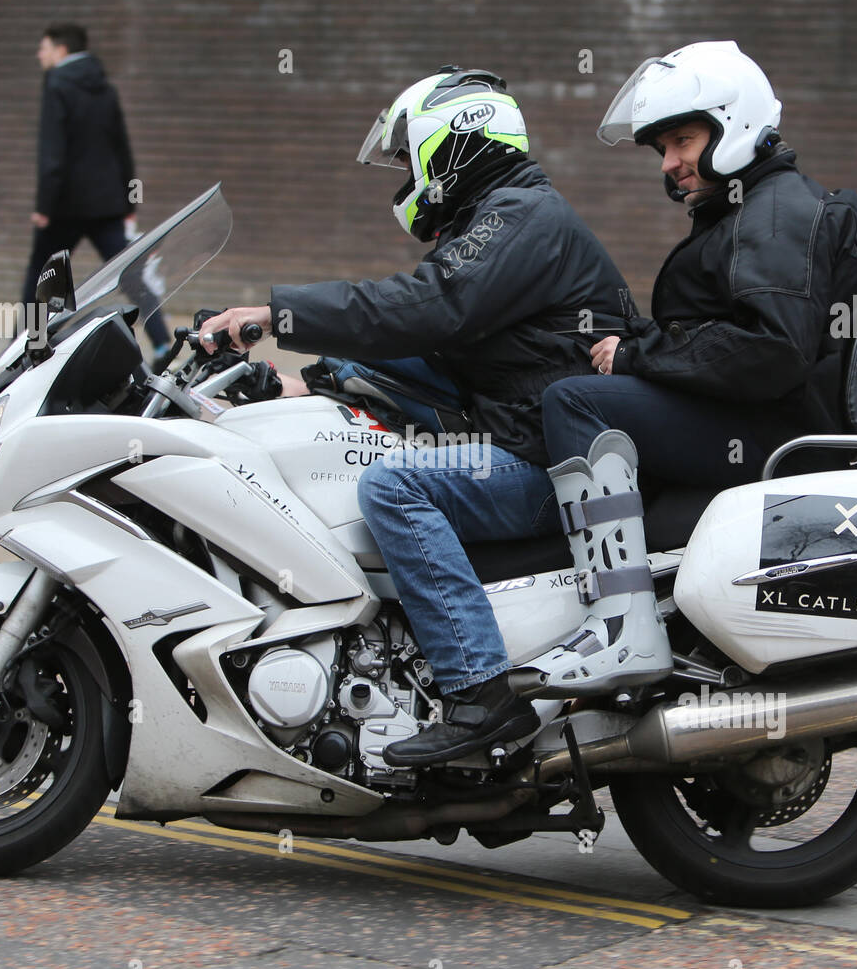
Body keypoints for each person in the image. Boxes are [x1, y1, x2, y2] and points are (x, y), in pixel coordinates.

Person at [200, 66, 666, 766]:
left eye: (410, 153)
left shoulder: (521, 217)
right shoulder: (504, 219)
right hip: (530, 439)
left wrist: (277, 313)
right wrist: (307, 383)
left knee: (395, 485)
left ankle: (481, 692)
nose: (405, 175)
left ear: (454, 144)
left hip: (548, 460)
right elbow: (439, 356)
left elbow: (426, 307)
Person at [542, 40, 857, 496]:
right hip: (752, 419)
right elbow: (712, 328)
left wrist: (636, 354)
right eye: (663, 147)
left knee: (573, 401)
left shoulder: (776, 216)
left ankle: (606, 566)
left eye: (682, 141)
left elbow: (774, 349)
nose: (669, 163)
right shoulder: (748, 208)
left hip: (774, 438)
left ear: (735, 126)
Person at [20, 22, 170, 359]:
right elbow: (121, 146)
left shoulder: (56, 82)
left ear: (60, 50)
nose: (39, 54)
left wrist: (44, 206)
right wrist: (129, 200)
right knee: (129, 274)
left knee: (42, 275)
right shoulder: (105, 86)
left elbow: (52, 153)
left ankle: (29, 348)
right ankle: (162, 343)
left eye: (43, 48)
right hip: (107, 203)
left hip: (64, 206)